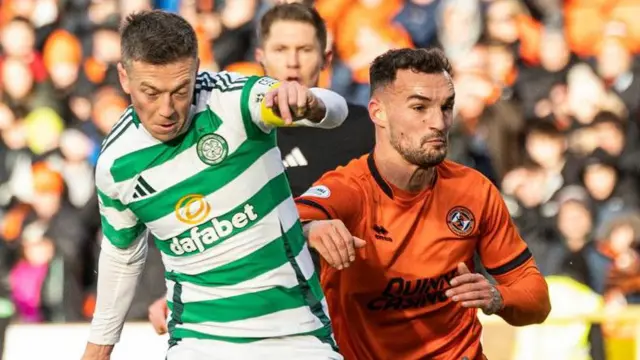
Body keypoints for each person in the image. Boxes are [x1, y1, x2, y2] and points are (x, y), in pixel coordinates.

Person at [82, 10, 348, 360]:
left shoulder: (233, 100)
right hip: (198, 343)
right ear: (124, 77)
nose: (166, 110)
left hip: (296, 336)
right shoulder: (115, 165)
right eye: (151, 92)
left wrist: (310, 103)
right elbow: (123, 255)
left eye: (180, 90)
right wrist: (97, 352)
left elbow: (336, 109)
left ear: (196, 71)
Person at [295, 48, 552, 360]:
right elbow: (279, 225)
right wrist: (310, 229)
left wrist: (497, 296)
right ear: (378, 113)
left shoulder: (474, 190)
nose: (438, 122)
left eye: (446, 107)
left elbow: (537, 301)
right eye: (419, 107)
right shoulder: (348, 190)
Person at [147, 2, 374, 334]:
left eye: (305, 49)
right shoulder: (231, 131)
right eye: (281, 49)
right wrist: (181, 292)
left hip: (353, 314)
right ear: (261, 57)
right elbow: (211, 223)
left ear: (326, 58)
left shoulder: (364, 129)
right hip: (258, 318)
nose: (292, 61)